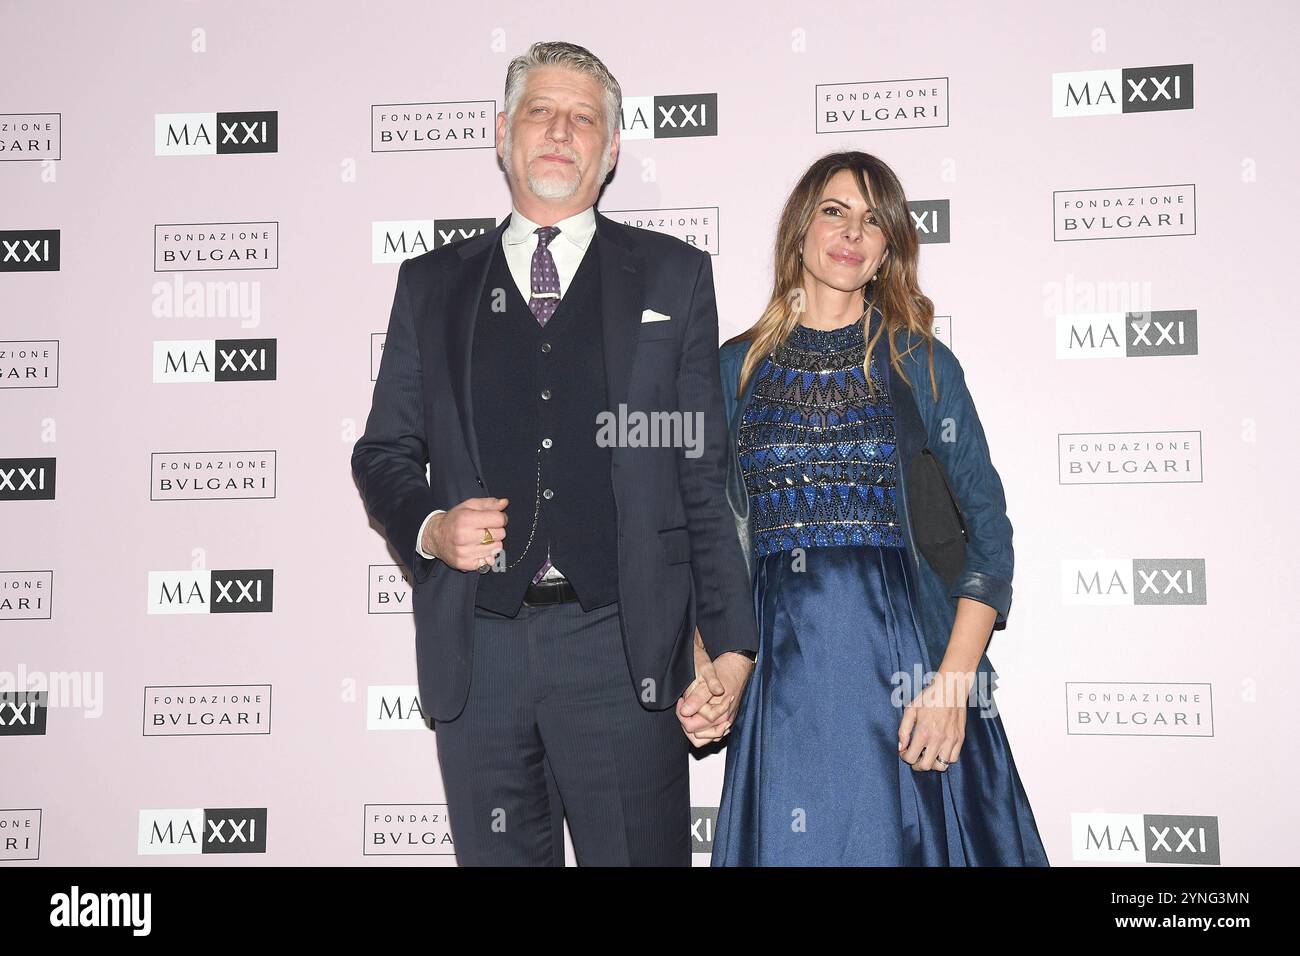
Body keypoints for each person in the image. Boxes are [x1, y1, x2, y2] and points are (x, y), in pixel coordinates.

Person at [350, 40, 759, 866]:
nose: (559, 132)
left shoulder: (672, 278)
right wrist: (431, 526)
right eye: (540, 111)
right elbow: (383, 451)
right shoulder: (429, 286)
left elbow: (702, 478)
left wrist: (732, 643)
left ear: (611, 151)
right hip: (481, 649)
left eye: (584, 119)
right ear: (502, 133)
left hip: (623, 650)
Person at [705, 151, 1049, 866]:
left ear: (888, 250)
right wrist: (712, 665)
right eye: (835, 211)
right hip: (783, 688)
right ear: (801, 226)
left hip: (911, 681)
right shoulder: (732, 370)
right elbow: (703, 541)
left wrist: (953, 686)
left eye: (872, 221)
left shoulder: (919, 364)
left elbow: (990, 536)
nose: (851, 232)